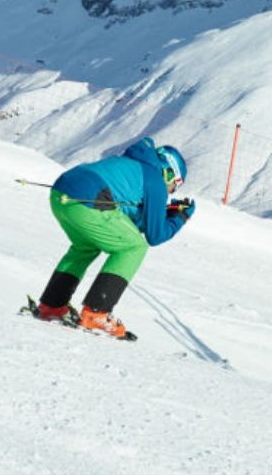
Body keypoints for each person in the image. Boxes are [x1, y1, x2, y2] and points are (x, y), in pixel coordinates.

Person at [28, 138, 195, 339]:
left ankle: (51, 306)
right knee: (134, 247)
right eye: (175, 186)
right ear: (169, 173)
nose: (171, 193)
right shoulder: (155, 180)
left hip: (61, 194)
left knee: (85, 247)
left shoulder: (136, 165)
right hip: (89, 199)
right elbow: (155, 236)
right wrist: (181, 216)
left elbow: (124, 219)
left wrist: (162, 213)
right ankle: (96, 313)